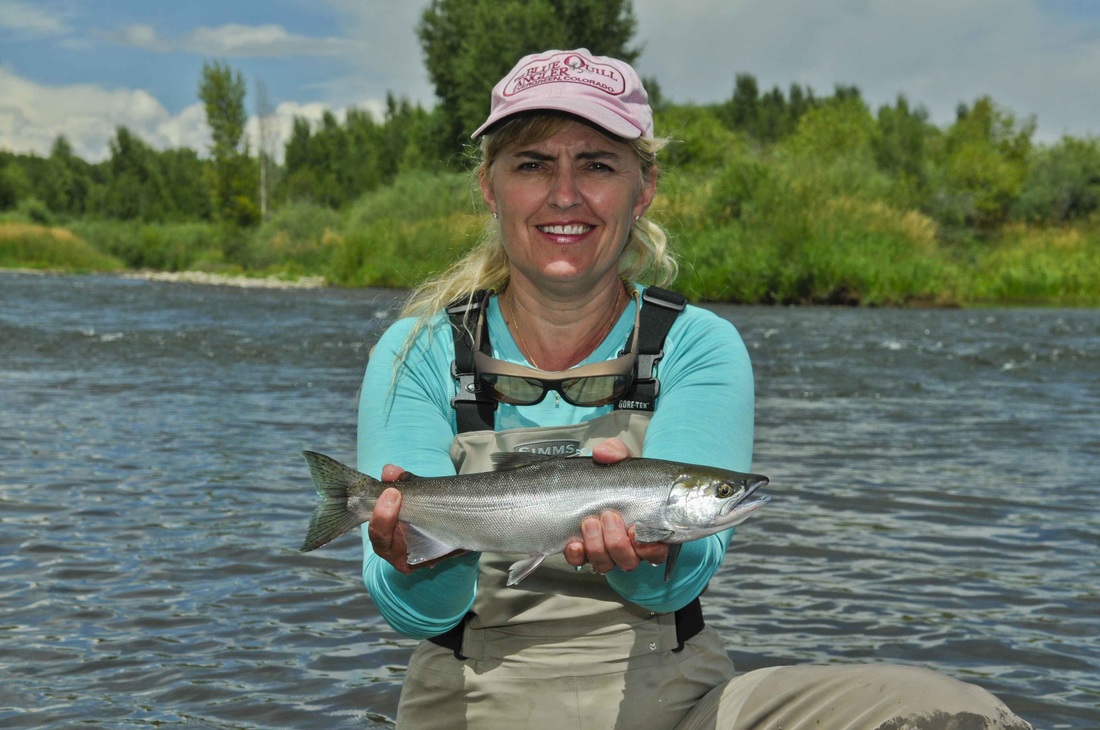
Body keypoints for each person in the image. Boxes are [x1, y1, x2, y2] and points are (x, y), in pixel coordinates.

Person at [355, 49, 1031, 729]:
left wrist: (648, 562)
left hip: (676, 698)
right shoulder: (418, 352)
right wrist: (415, 560)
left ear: (642, 187)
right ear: (490, 187)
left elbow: (683, 577)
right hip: (469, 699)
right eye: (532, 164)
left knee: (957, 712)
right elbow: (413, 614)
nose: (565, 194)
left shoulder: (697, 345)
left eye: (597, 164)